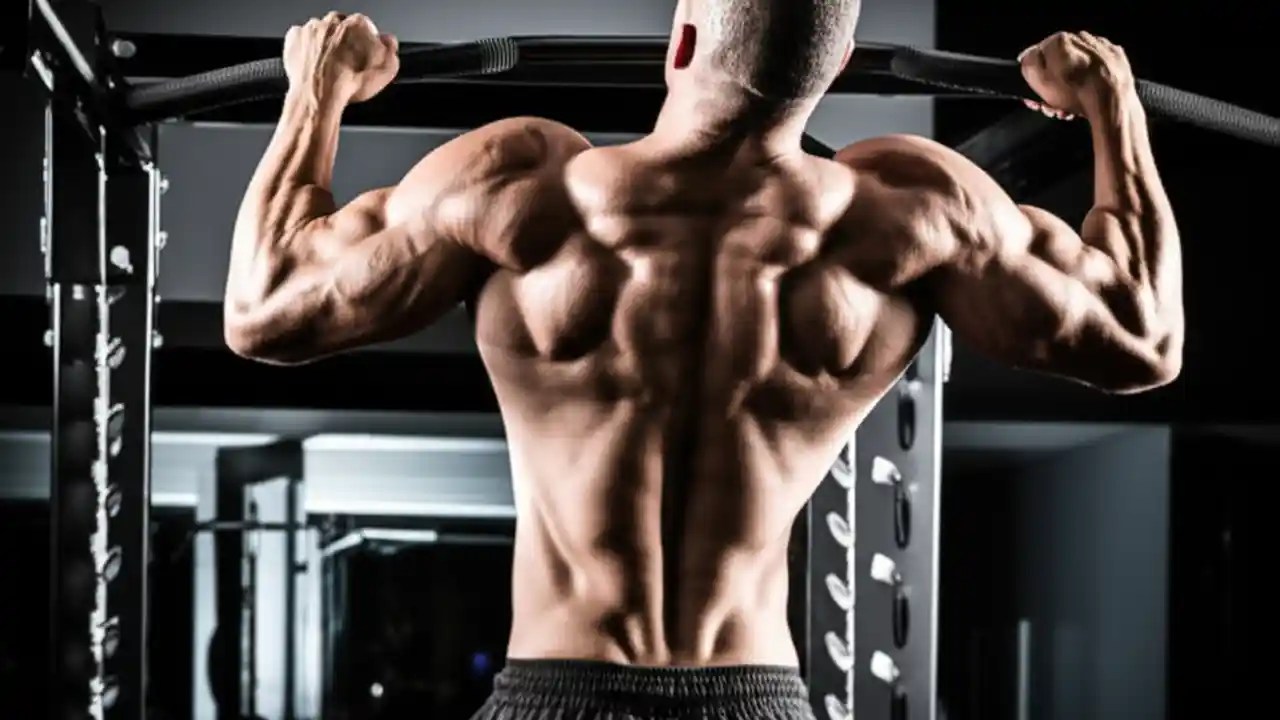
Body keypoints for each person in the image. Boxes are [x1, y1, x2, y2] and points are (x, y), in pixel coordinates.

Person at [223, 1, 1183, 717]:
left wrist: (320, 92)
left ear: (680, 41)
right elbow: (1144, 339)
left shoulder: (522, 184)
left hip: (554, 690)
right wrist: (1111, 105)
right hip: (756, 694)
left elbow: (264, 311)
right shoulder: (911, 212)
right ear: (839, 67)